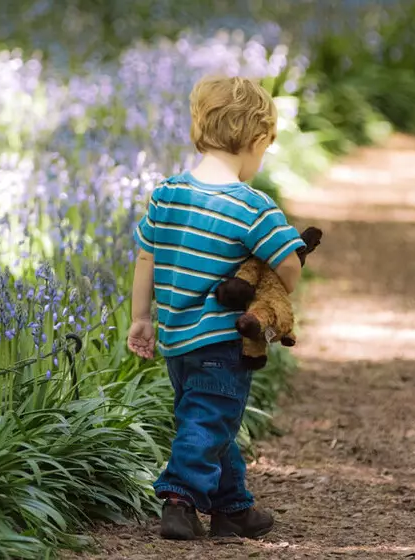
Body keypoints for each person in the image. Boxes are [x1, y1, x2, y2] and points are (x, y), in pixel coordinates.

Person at [127, 76, 306, 540]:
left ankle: (231, 509)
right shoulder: (252, 206)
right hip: (223, 340)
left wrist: (141, 318)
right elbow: (287, 263)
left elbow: (145, 257)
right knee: (209, 420)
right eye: (264, 149)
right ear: (254, 141)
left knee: (210, 418)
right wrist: (271, 287)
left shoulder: (167, 194)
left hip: (177, 340)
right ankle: (179, 498)